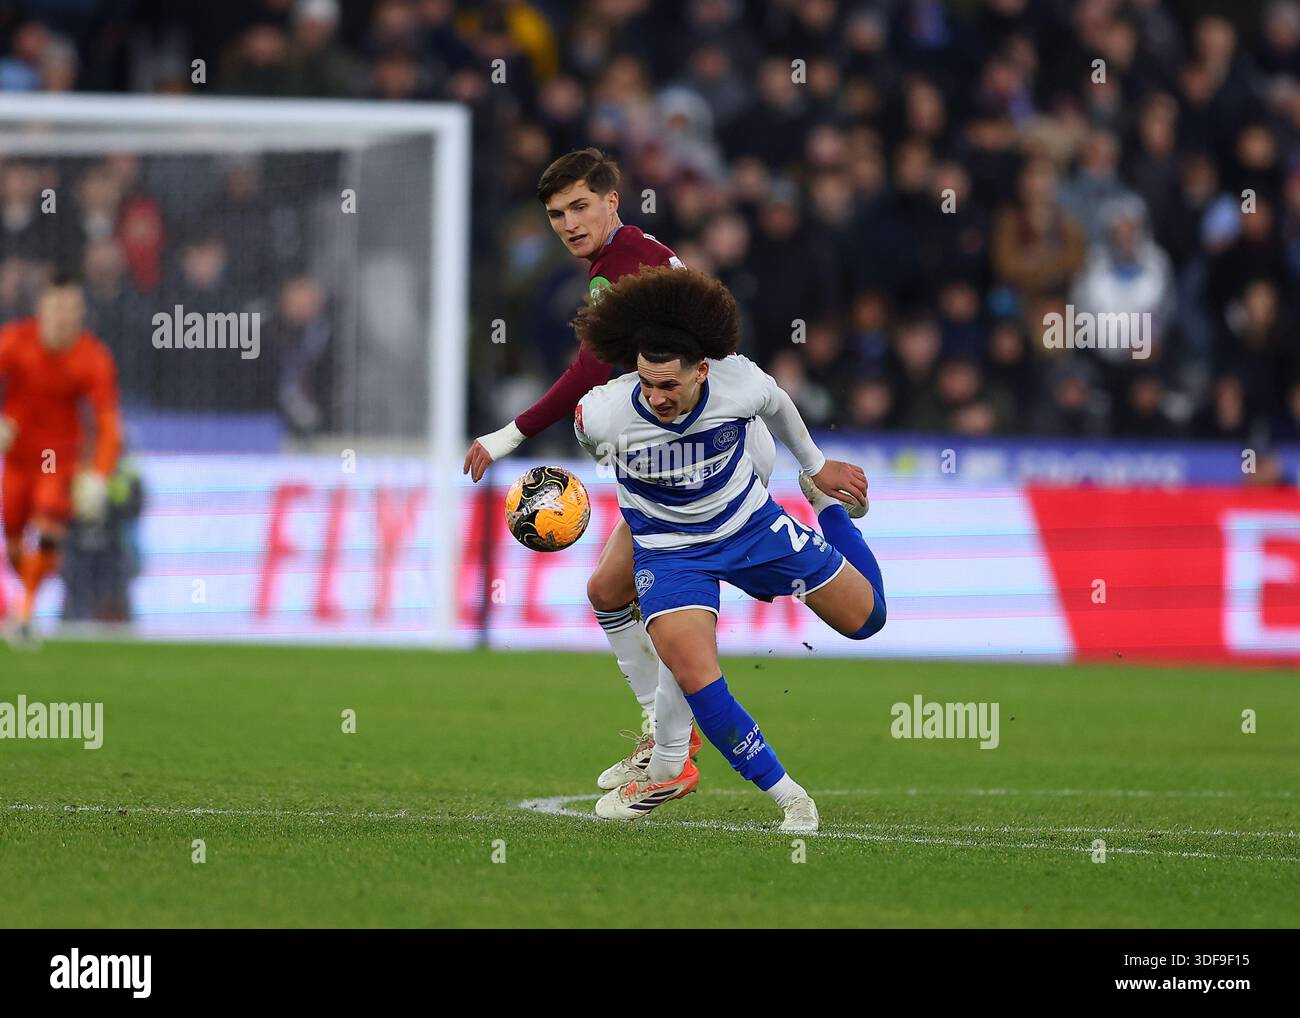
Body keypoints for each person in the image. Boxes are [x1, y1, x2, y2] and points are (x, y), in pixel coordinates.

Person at [463, 148, 780, 791]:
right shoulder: (627, 256)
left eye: (581, 206)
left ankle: (670, 753)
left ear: (613, 201)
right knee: (610, 592)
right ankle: (663, 738)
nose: (569, 223)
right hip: (704, 444)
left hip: (714, 454)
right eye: (556, 214)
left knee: (665, 599)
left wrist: (506, 436)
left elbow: (588, 369)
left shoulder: (624, 267)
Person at [573, 266, 887, 831]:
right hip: (670, 554)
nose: (657, 397)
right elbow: (610, 467)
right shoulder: (601, 414)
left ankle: (825, 506)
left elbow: (778, 404)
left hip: (750, 527)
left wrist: (815, 467)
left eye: (670, 385)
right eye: (647, 382)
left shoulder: (738, 382)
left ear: (701, 370)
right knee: (696, 670)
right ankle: (791, 798)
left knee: (867, 619)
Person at [0, 274, 122, 645]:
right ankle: (29, 586)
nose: (63, 317)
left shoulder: (93, 358)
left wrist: (98, 475)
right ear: (41, 308)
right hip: (17, 459)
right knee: (16, 535)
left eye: (71, 308)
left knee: (48, 516)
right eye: (56, 307)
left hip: (57, 460)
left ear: (81, 312)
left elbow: (107, 425)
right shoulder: (14, 342)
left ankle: (25, 613)